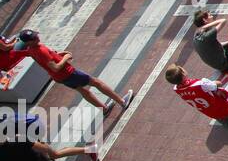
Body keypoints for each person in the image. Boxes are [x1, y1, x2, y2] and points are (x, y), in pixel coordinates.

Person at [2, 29, 133, 111]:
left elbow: (46, 60)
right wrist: (66, 57)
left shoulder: (30, 50)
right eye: (34, 38)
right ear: (29, 42)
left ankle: (103, 109)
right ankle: (121, 102)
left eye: (36, 36)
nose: (37, 38)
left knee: (83, 91)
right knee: (96, 82)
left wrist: (57, 55)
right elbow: (55, 66)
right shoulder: (40, 49)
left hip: (59, 78)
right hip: (68, 73)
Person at [191, 9, 228, 79]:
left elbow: (217, 46)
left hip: (218, 63)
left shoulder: (197, 35)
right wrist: (206, 26)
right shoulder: (207, 35)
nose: (212, 16)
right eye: (210, 15)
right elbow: (223, 21)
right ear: (205, 20)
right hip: (225, 64)